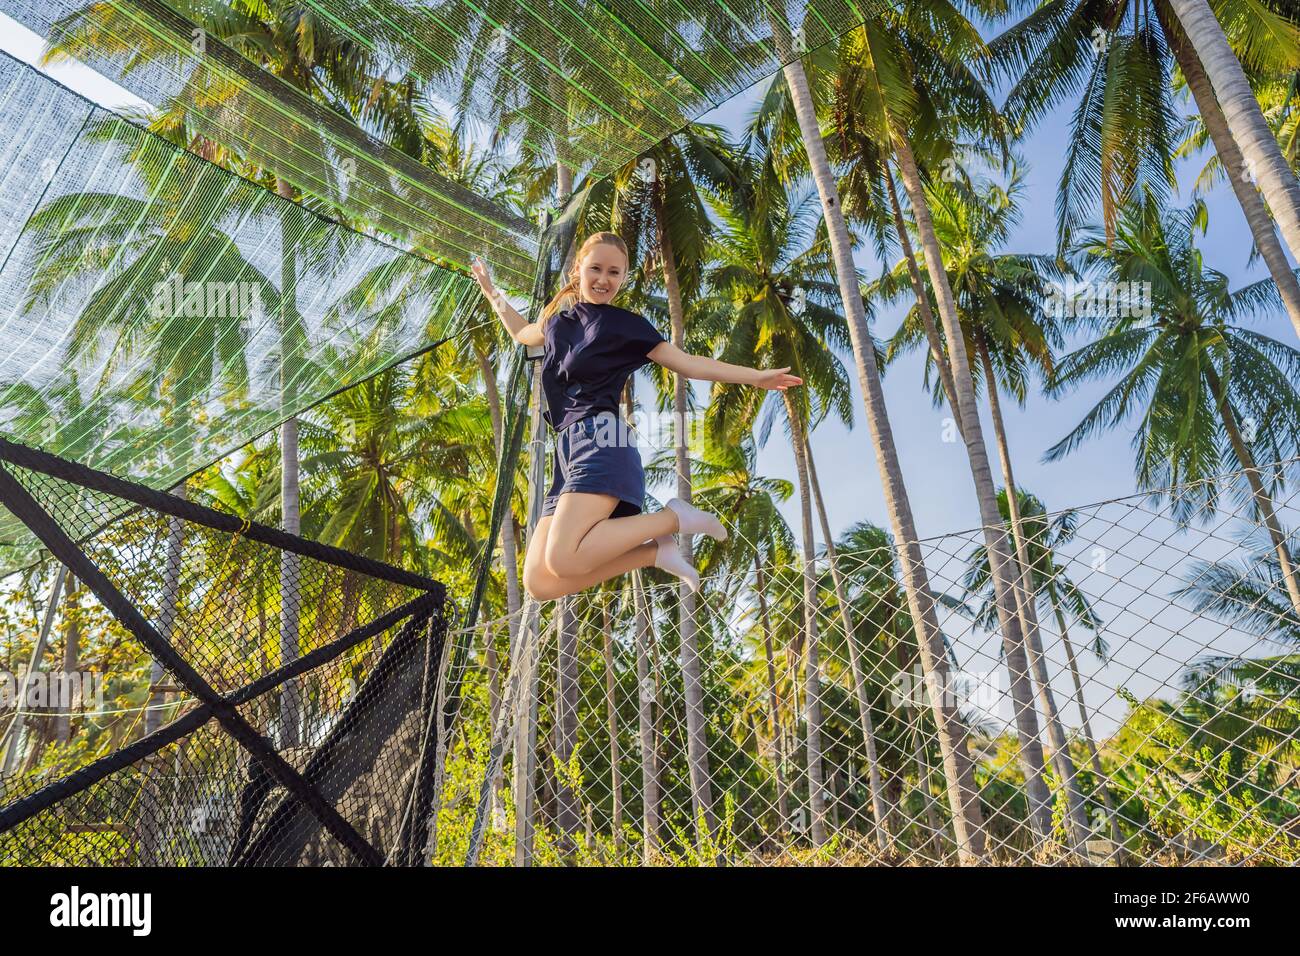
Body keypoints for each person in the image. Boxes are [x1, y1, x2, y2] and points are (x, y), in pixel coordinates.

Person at [472, 231, 801, 601]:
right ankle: (654, 552)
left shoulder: (624, 325)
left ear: (623, 278)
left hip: (600, 441)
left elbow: (688, 364)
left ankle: (674, 518)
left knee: (563, 557)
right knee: (539, 583)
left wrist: (757, 376)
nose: (603, 279)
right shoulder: (555, 324)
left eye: (615, 272)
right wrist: (489, 289)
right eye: (595, 268)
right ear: (577, 269)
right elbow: (520, 332)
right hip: (566, 453)